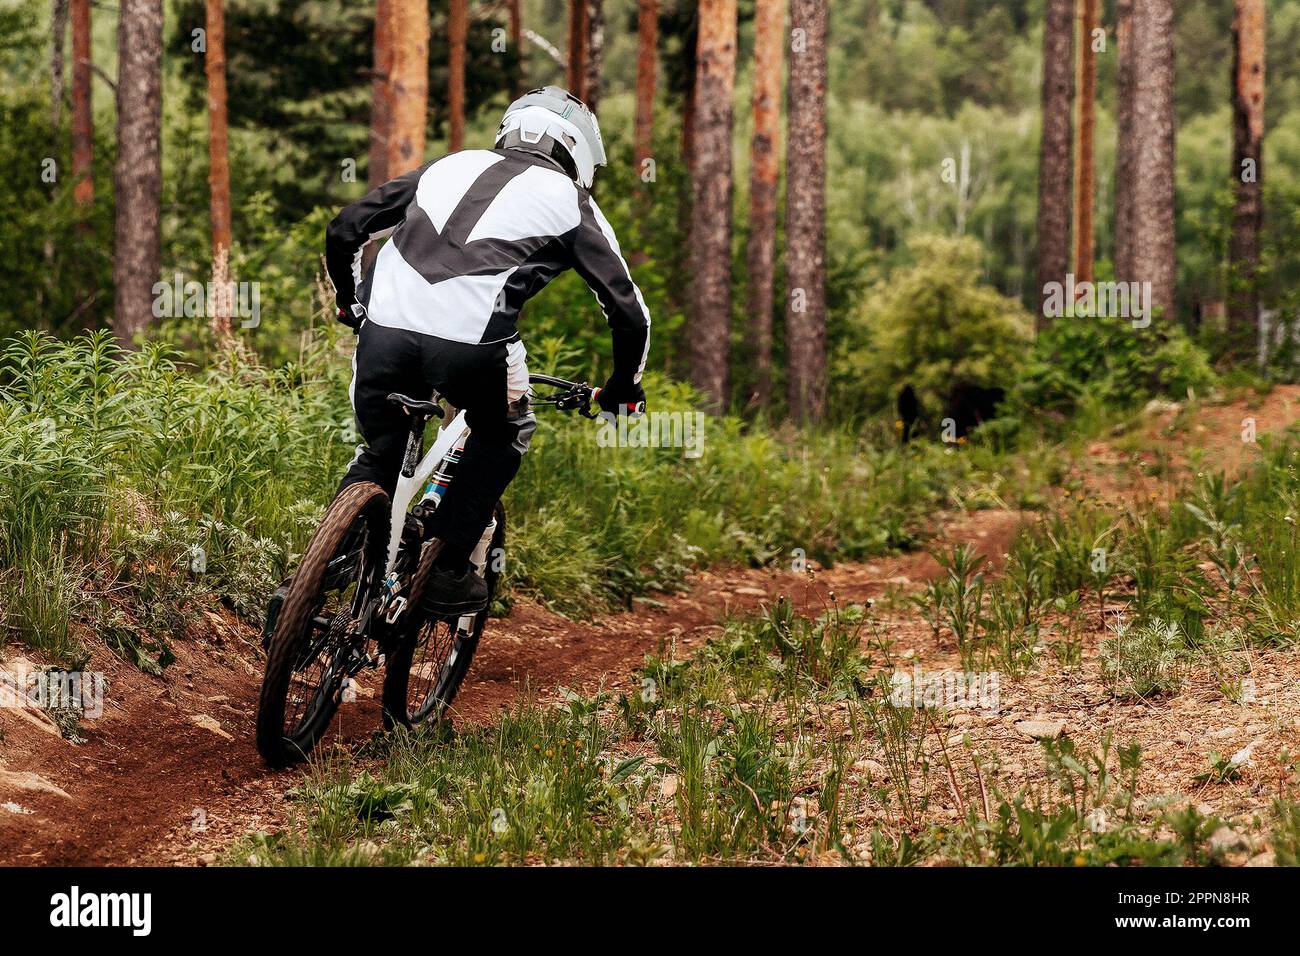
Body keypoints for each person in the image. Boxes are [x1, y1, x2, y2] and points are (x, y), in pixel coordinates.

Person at [322, 86, 651, 615]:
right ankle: (450, 567)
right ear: (579, 154)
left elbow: (345, 230)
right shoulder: (572, 202)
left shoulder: (448, 166)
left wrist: (349, 304)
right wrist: (622, 389)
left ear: (510, 128)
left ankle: (317, 580)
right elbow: (629, 312)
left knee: (381, 452)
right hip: (472, 351)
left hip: (382, 334)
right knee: (505, 430)